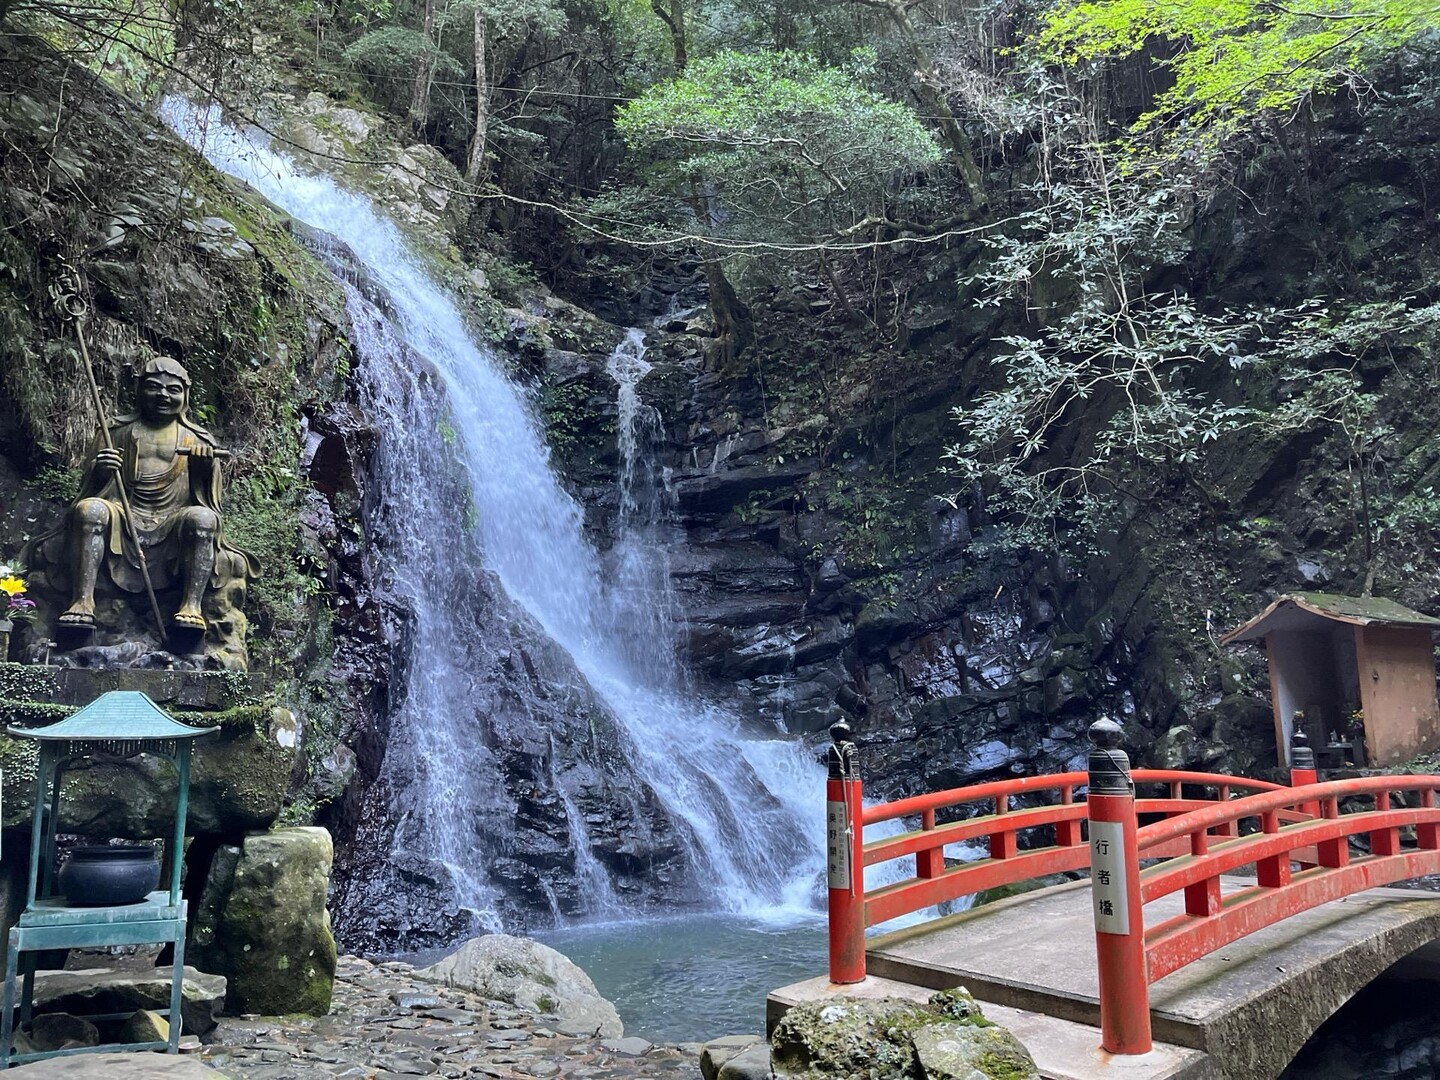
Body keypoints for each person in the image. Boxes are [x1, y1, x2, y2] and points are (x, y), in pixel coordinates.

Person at [48, 357, 257, 632]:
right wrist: (102, 471)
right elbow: (88, 490)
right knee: (90, 510)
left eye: (173, 390)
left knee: (204, 519)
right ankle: (83, 600)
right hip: (123, 513)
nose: (163, 395)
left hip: (173, 520)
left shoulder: (199, 439)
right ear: (139, 390)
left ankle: (191, 606)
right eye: (154, 387)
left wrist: (202, 472)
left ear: (185, 396)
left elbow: (209, 502)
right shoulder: (114, 432)